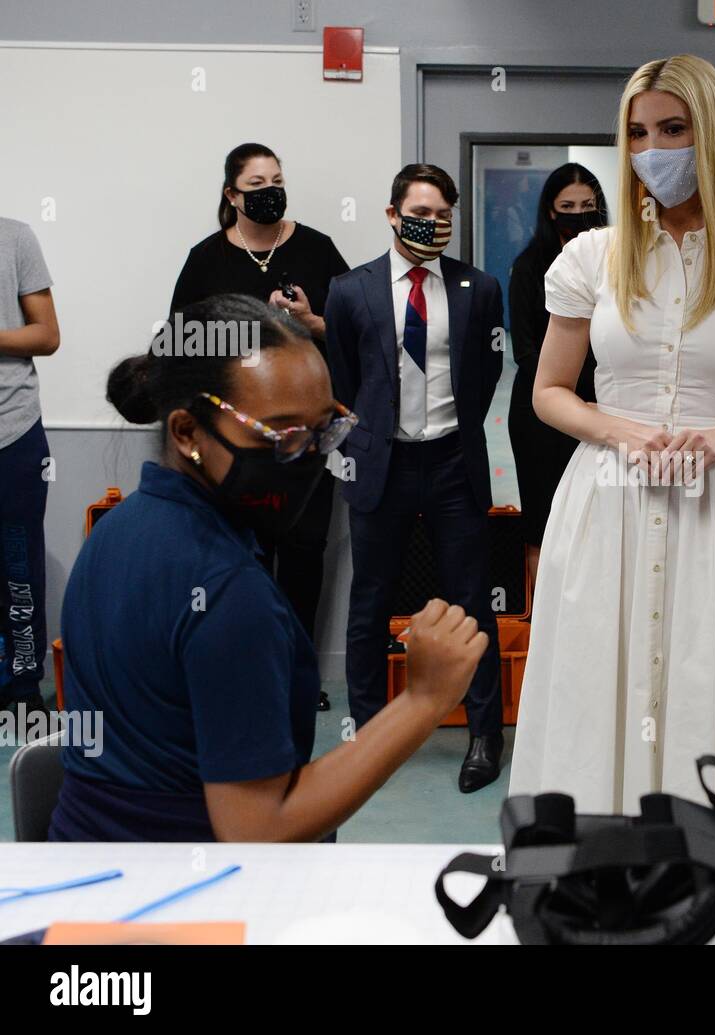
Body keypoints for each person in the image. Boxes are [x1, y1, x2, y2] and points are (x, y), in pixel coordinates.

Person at [507, 54, 715, 817]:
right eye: (639, 131)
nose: (654, 148)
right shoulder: (592, 258)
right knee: (597, 682)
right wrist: (616, 430)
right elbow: (548, 392)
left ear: (710, 134)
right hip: (606, 504)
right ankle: (591, 868)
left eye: (674, 128)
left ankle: (714, 876)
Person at [50, 294, 486, 841]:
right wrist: (424, 700)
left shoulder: (114, 530)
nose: (307, 460)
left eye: (323, 432)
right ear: (187, 433)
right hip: (185, 907)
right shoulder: (225, 593)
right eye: (282, 437)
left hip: (88, 876)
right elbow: (259, 827)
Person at [325, 163, 506, 793]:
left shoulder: (478, 289)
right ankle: (372, 734)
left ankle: (485, 734)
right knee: (370, 601)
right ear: (393, 213)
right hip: (383, 463)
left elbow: (483, 376)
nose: (432, 223)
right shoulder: (350, 290)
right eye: (420, 212)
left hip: (454, 461)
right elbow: (344, 381)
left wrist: (452, 429)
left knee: (472, 601)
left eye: (443, 215)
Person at [170, 142, 350, 712]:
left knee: (302, 556)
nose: (270, 190)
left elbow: (355, 335)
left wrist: (309, 322)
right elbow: (179, 343)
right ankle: (242, 674)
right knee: (237, 560)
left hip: (304, 439)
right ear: (232, 195)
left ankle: (297, 677)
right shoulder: (205, 260)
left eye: (277, 178)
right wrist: (256, 327)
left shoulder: (318, 249)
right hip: (233, 442)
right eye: (256, 183)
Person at [506, 163, 606, 585]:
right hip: (541, 414)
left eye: (588, 205)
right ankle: (540, 629)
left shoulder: (615, 262)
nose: (578, 213)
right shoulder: (530, 266)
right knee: (543, 521)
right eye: (568, 205)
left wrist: (602, 397)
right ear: (550, 211)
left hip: (604, 409)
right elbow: (525, 350)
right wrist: (574, 393)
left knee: (597, 521)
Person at [0, 218, 59, 716]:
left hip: (12, 431)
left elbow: (47, 335)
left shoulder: (14, 237)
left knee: (18, 569)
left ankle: (22, 689)